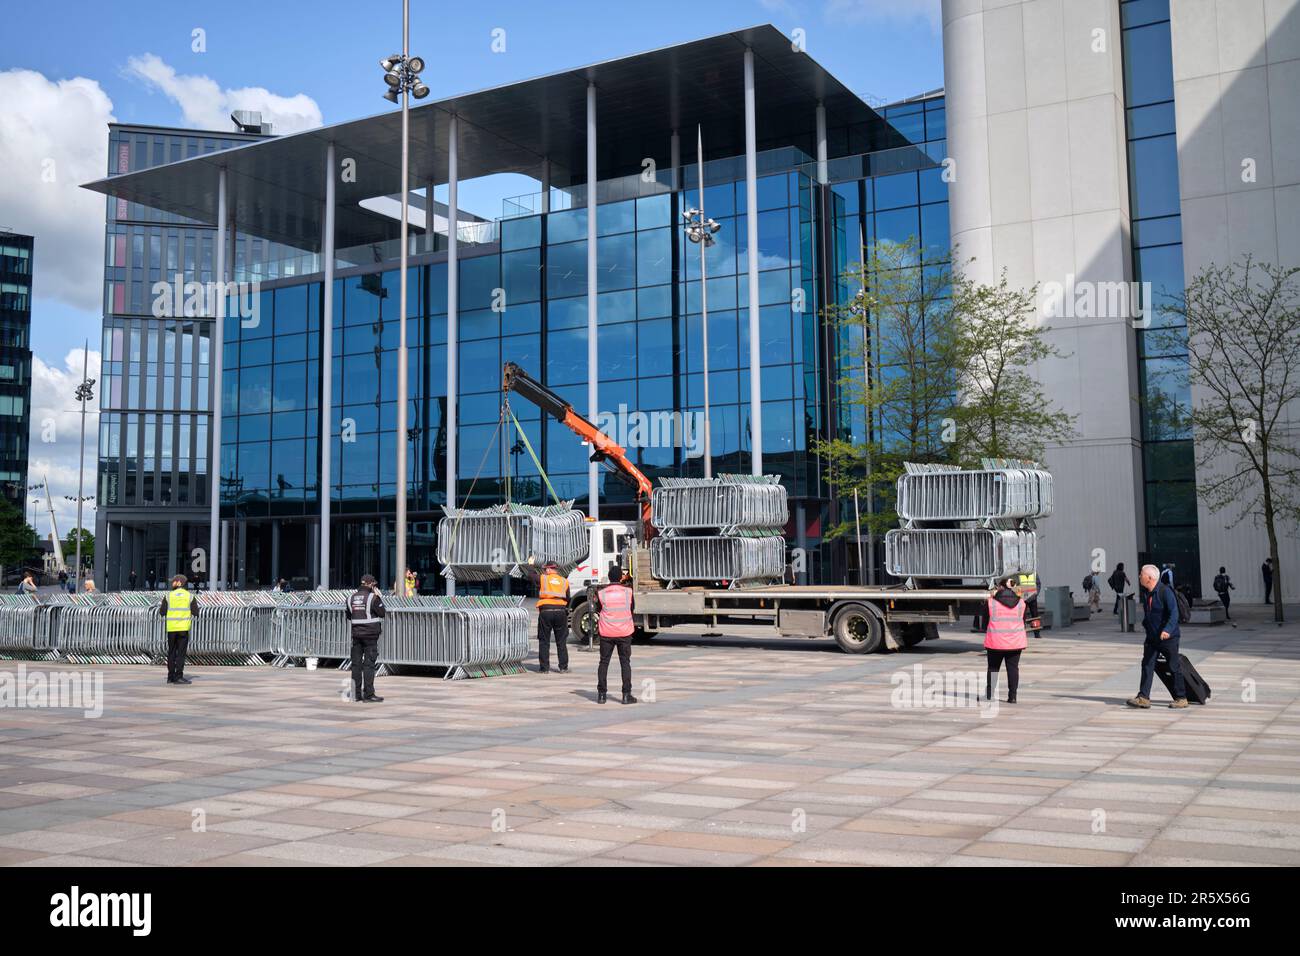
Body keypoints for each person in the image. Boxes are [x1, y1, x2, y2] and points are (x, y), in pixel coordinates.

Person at [1127, 564, 1187, 710]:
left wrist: (1167, 630)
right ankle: (1143, 697)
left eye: (1141, 574)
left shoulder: (1165, 592)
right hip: (1152, 638)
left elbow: (1174, 613)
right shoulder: (1147, 593)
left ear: (1149, 578)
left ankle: (1181, 698)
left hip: (1168, 637)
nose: (1139, 576)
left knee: (1173, 666)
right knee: (1147, 665)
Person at [595, 563, 637, 705]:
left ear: (608, 577)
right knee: (625, 662)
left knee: (604, 662)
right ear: (620, 577)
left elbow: (598, 609)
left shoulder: (601, 593)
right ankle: (626, 695)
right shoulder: (628, 592)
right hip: (624, 632)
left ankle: (601, 695)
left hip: (606, 633)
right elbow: (632, 609)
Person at [985, 577, 1027, 704]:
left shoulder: (991, 602)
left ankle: (989, 695)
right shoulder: (1021, 603)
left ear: (1001, 587)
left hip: (995, 642)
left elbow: (984, 621)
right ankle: (1012, 696)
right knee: (1013, 669)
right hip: (1015, 642)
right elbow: (1023, 620)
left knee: (993, 668)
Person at [347, 574, 386, 703]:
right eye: (373, 584)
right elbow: (382, 613)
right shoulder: (373, 598)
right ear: (370, 584)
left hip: (356, 635)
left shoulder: (350, 598)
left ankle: (355, 694)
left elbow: (349, 615)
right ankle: (369, 695)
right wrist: (378, 596)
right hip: (370, 636)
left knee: (356, 665)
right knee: (369, 665)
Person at [158, 574, 198, 685]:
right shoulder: (189, 596)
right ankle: (179, 676)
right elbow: (196, 612)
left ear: (178, 583)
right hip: (183, 629)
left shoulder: (168, 596)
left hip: (171, 629)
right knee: (181, 653)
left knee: (171, 652)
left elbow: (162, 612)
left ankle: (170, 676)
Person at [535, 561, 570, 674]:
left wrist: (530, 565)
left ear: (549, 569)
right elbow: (568, 598)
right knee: (561, 641)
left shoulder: (543, 579)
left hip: (546, 612)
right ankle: (563, 667)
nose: (544, 572)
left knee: (544, 640)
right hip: (560, 612)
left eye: (545, 569)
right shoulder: (564, 581)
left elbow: (530, 576)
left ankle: (544, 668)